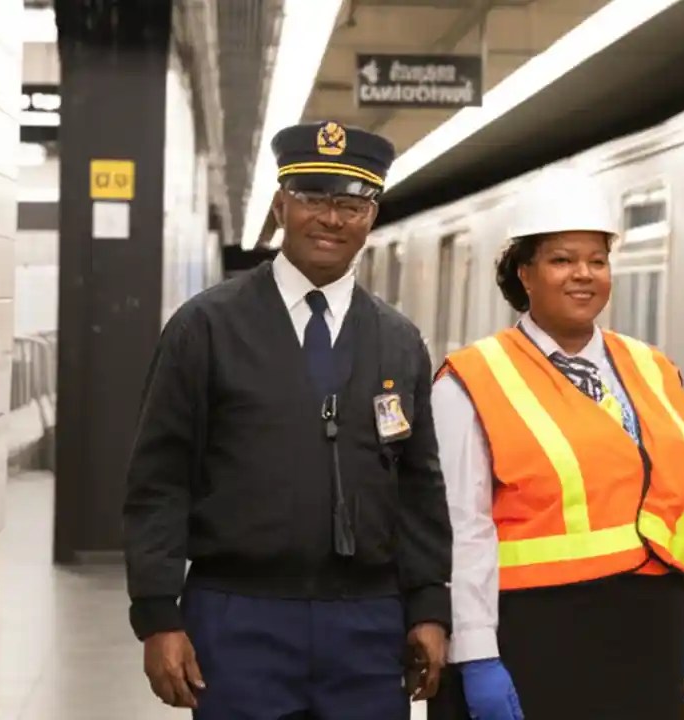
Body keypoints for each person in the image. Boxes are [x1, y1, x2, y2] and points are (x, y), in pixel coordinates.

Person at [122, 120, 453, 719]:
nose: (331, 219)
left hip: (368, 624)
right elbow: (159, 478)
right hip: (237, 616)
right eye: (312, 198)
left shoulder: (399, 341)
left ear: (371, 216)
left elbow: (420, 485)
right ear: (280, 205)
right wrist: (156, 612)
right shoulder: (206, 328)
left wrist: (430, 606)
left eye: (351, 203)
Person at [428, 167, 684, 719]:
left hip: (646, 632)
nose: (583, 275)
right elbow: (462, 529)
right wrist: (475, 653)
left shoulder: (653, 368)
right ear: (525, 273)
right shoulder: (471, 380)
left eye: (597, 260)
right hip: (533, 632)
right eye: (562, 260)